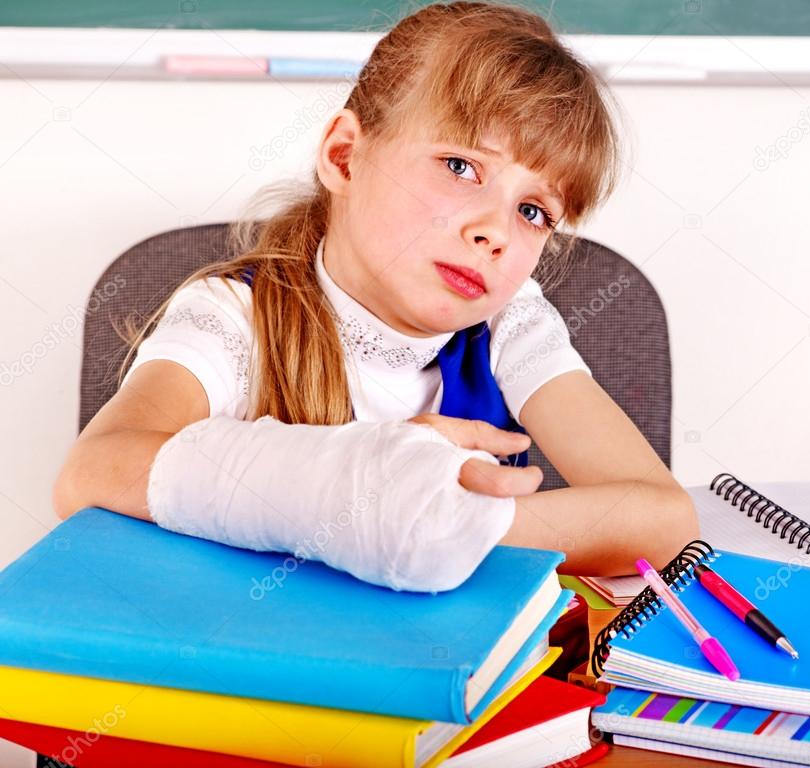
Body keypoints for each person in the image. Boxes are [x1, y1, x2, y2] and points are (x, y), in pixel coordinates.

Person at [53, 1, 698, 592]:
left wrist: (432, 521)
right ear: (344, 155)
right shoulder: (233, 316)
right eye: (459, 167)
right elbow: (91, 473)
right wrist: (365, 487)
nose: (495, 231)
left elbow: (662, 519)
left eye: (533, 210)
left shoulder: (512, 323)